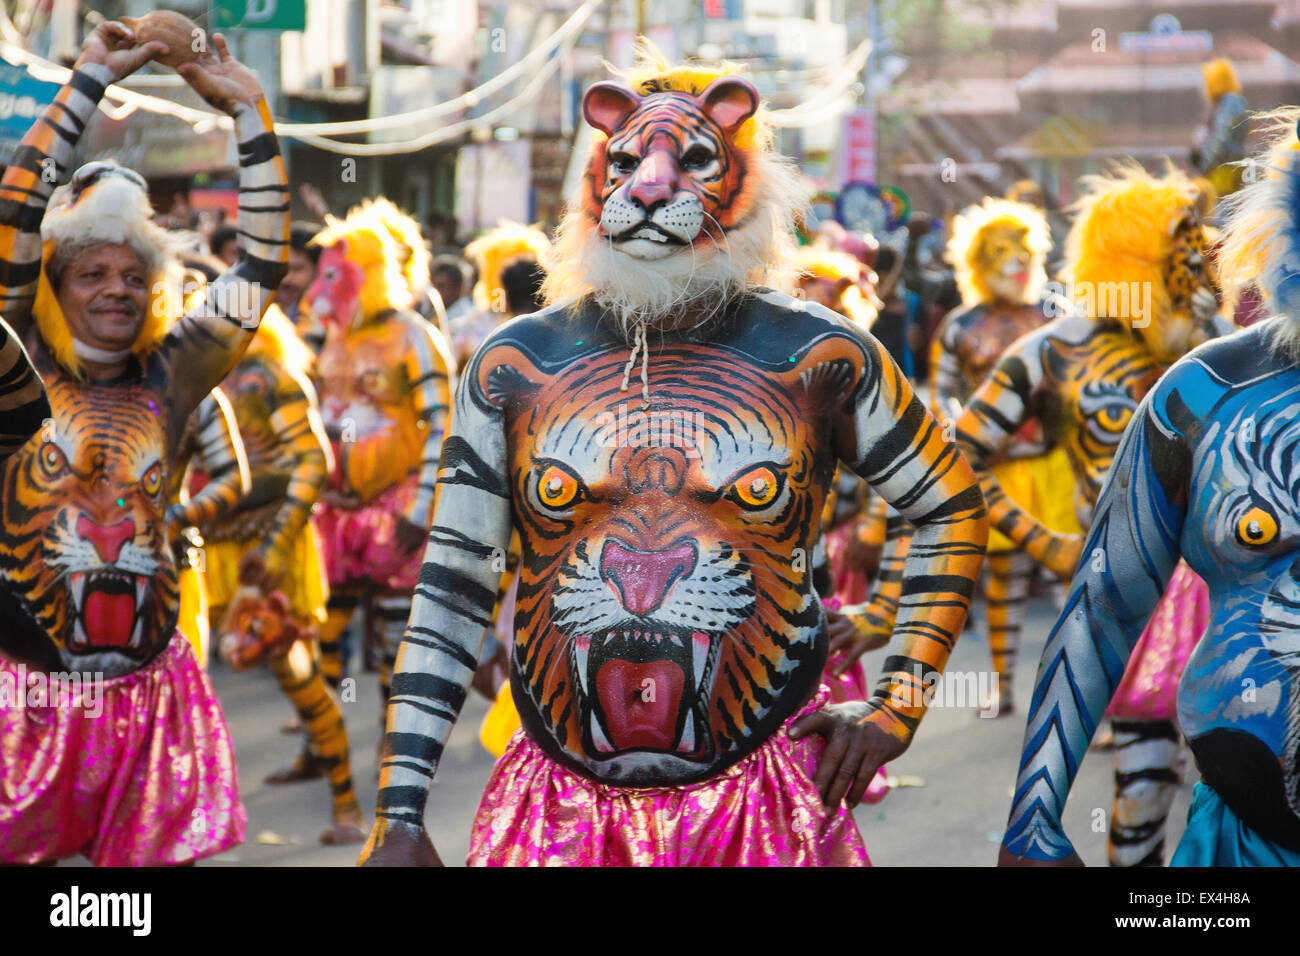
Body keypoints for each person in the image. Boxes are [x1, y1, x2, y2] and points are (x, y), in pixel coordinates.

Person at [359, 43, 987, 867]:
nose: (652, 187)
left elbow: (948, 505)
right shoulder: (515, 365)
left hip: (766, 803)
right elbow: (451, 587)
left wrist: (896, 707)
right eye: (627, 161)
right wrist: (399, 811)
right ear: (597, 178)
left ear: (744, 181)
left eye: (694, 162)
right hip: (558, 812)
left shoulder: (821, 354)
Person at [0, 22, 289, 865]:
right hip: (23, 696)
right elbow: (15, 216)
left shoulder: (175, 370)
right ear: (54, 283)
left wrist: (249, 111)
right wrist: (85, 80)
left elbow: (262, 266)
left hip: (150, 693)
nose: (117, 290)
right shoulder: (19, 356)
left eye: (135, 275)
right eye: (92, 272)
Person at [1001, 111, 1300, 866]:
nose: (1195, 259)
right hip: (1241, 838)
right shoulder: (1201, 392)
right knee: (1140, 780)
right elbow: (1103, 605)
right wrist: (1032, 818)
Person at [958, 164, 1228, 866]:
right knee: (1140, 795)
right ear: (1134, 254)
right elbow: (957, 456)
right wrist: (1042, 540)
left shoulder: (1223, 346)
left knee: (1234, 791)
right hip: (1119, 596)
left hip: (1226, 601)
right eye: (1184, 243)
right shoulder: (1054, 348)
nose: (1206, 254)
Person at [199, 307, 364, 844]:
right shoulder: (180, 379)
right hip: (208, 549)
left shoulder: (266, 375)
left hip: (272, 545)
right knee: (186, 680)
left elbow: (313, 461)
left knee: (298, 675)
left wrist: (272, 547)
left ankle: (348, 809)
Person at [307, 200, 455, 745]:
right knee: (320, 633)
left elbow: (445, 425)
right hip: (336, 512)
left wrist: (421, 510)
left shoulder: (413, 335)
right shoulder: (336, 336)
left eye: (333, 274)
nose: (320, 288)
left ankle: (394, 760)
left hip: (398, 509)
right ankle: (318, 747)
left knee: (397, 649)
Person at [928, 197, 1079, 714]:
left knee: (1071, 580)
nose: (1017, 262)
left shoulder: (1057, 315)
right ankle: (1003, 687)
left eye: (1024, 251)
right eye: (1002, 252)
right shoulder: (959, 325)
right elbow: (941, 393)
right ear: (980, 261)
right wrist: (968, 427)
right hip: (995, 470)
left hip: (1056, 465)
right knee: (1002, 577)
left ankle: (1080, 694)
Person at [277, 223, 322, 323]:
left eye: (297, 269)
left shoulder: (324, 319)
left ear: (317, 271)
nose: (286, 279)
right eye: (280, 268)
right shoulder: (255, 309)